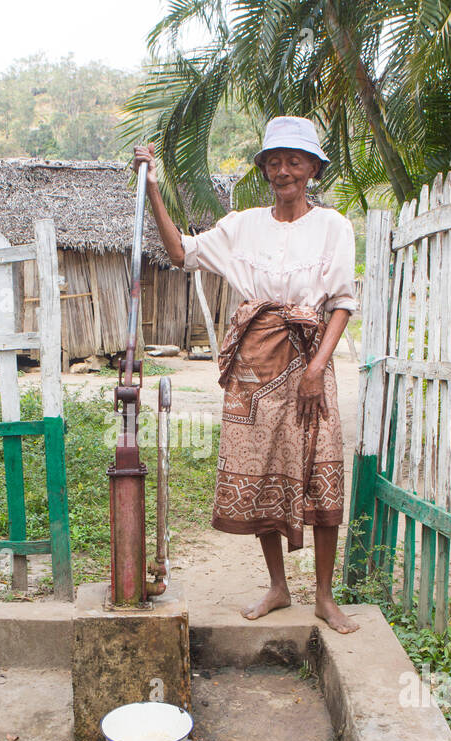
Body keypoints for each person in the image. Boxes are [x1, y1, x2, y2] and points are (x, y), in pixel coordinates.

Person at [133, 115, 359, 634]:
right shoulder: (241, 225)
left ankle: (324, 596)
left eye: (294, 161)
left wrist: (318, 369)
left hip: (309, 359)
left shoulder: (334, 227)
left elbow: (342, 303)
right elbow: (180, 253)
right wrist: (154, 190)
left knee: (321, 469)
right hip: (253, 364)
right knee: (258, 473)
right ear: (264, 169)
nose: (284, 170)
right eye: (274, 161)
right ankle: (278, 587)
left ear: (313, 169)